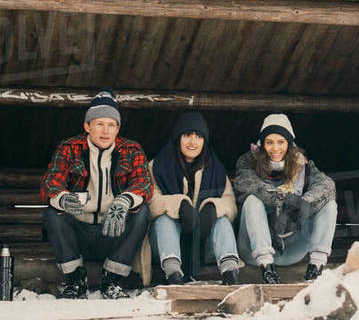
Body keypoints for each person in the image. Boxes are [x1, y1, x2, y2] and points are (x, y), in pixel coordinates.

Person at [41, 89, 152, 300]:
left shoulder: (132, 149)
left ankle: (112, 280)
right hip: (78, 233)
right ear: (87, 126)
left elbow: (144, 183)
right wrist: (63, 198)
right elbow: (50, 182)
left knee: (141, 213)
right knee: (51, 213)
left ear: (118, 128)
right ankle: (75, 280)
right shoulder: (69, 148)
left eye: (111, 125)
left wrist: (125, 200)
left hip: (113, 231)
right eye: (99, 124)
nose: (105, 131)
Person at [233, 113, 337, 284]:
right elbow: (247, 184)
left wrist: (302, 203)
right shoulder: (248, 162)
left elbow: (327, 186)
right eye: (269, 142)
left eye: (281, 142)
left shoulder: (303, 165)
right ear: (262, 143)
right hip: (254, 251)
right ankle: (267, 269)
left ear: (289, 144)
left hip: (293, 249)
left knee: (329, 204)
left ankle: (315, 267)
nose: (275, 148)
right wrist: (283, 200)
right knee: (252, 201)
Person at [148, 111, 239, 286]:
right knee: (165, 219)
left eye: (199, 136)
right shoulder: (158, 165)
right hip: (162, 244)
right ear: (178, 138)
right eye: (187, 135)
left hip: (202, 245)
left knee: (222, 221)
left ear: (204, 141)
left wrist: (212, 209)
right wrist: (180, 206)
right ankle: (173, 275)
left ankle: (230, 273)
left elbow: (231, 205)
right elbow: (150, 202)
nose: (193, 141)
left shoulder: (216, 169)